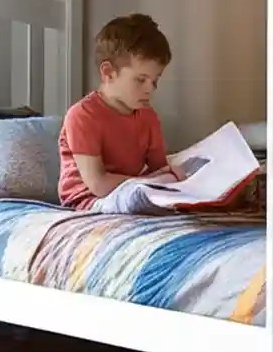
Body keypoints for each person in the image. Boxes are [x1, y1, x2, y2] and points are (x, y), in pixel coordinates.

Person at [58, 13, 184, 211]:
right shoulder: (82, 116)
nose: (151, 89)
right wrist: (148, 182)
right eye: (140, 80)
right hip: (88, 199)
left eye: (155, 80)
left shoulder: (148, 116)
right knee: (139, 199)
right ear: (108, 72)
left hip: (131, 189)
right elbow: (97, 184)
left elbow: (160, 170)